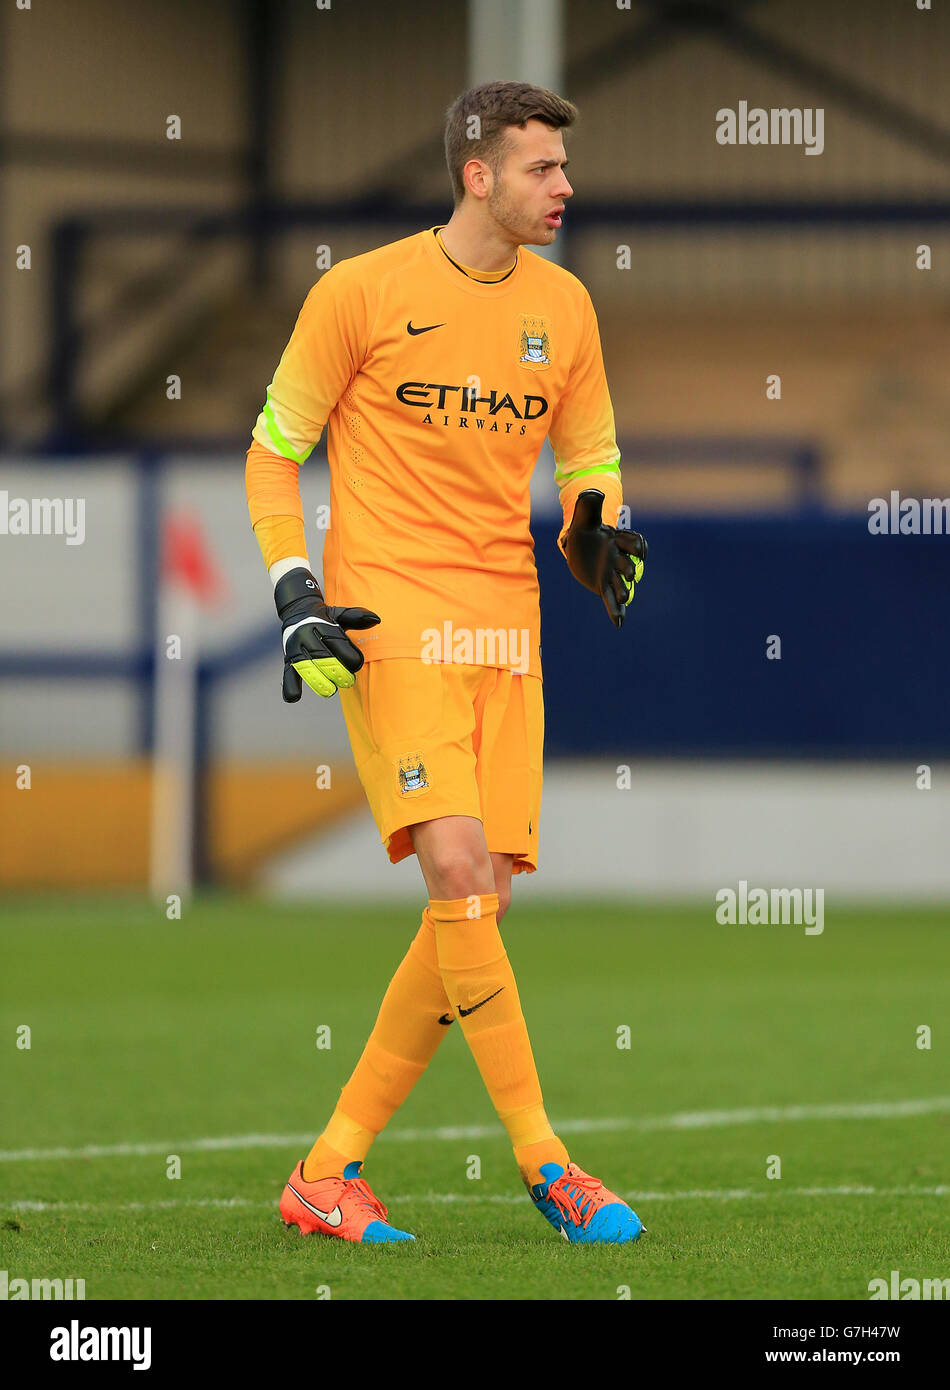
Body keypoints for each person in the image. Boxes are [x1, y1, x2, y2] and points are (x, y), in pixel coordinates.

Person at [245, 80, 647, 1246]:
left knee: (479, 898)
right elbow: (273, 459)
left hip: (502, 621)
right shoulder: (359, 292)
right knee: (458, 864)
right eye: (540, 168)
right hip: (389, 614)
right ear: (476, 174)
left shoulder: (565, 309)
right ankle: (547, 1158)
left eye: (563, 168)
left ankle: (329, 1166)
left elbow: (590, 455)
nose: (563, 187)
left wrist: (598, 531)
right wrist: (294, 594)